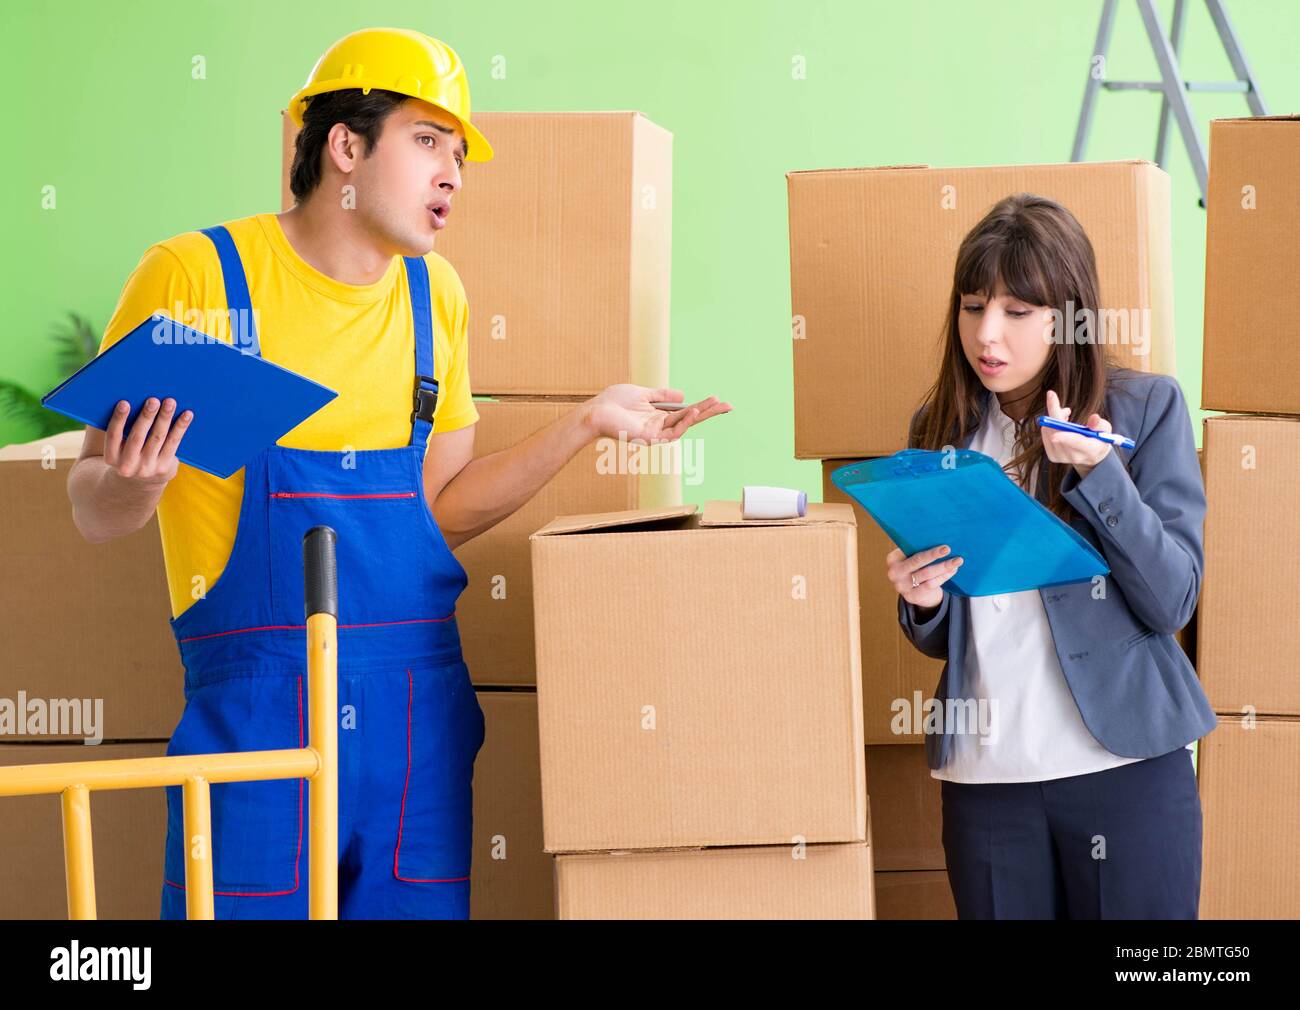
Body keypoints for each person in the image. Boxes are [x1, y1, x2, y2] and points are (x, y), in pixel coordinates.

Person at [65, 27, 730, 920]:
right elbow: (91, 510)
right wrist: (136, 484)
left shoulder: (435, 299)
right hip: (257, 714)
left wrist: (582, 424)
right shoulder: (198, 278)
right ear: (344, 145)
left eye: (459, 153)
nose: (452, 172)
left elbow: (438, 514)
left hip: (414, 717)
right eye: (427, 142)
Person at [884, 193, 1213, 919]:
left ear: (1067, 315)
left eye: (1018, 311)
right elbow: (950, 630)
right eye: (973, 306)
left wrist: (1101, 476)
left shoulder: (1143, 410)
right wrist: (923, 600)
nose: (988, 334)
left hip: (1124, 771)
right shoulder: (938, 429)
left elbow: (1173, 600)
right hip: (988, 782)